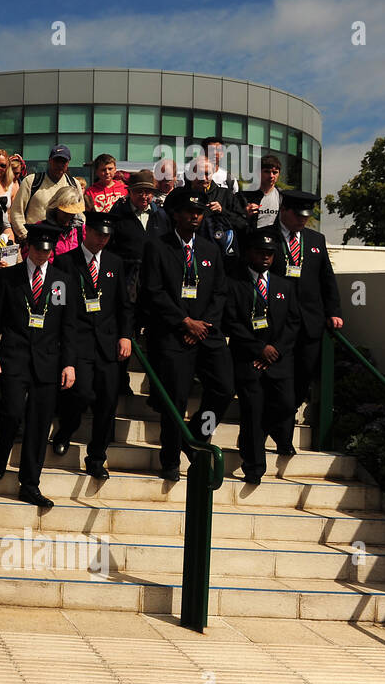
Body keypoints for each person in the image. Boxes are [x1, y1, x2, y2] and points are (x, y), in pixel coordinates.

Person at [139, 191, 234, 481]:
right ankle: (169, 459)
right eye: (190, 211)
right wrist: (184, 322)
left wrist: (202, 324)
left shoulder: (210, 249)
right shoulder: (157, 247)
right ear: (176, 214)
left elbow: (220, 292)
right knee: (175, 399)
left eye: (200, 212)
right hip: (172, 334)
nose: (195, 216)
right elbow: (153, 291)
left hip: (206, 332)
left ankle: (196, 437)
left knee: (223, 389)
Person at [0, 223, 78, 508]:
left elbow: (68, 325)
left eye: (47, 251)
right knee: (13, 412)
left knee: (39, 424)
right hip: (14, 355)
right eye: (38, 250)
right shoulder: (10, 276)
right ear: (29, 249)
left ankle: (30, 484)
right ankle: (3, 448)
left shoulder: (61, 281)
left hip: (48, 360)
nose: (42, 255)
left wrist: (69, 364)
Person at [50, 211, 134, 479]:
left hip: (107, 342)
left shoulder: (114, 262)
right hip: (78, 340)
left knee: (108, 402)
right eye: (99, 234)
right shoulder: (65, 262)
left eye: (107, 236)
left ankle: (97, 457)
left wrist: (126, 335)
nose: (102, 240)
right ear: (87, 232)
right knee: (81, 393)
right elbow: (57, 305)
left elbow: (124, 304)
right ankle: (67, 427)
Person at [270, 189, 343, 454]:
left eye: (306, 215)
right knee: (280, 382)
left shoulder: (316, 240)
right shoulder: (267, 236)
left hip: (310, 324)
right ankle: (282, 437)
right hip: (277, 324)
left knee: (300, 383)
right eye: (298, 215)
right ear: (284, 211)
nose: (303, 220)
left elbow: (327, 280)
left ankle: (282, 428)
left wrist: (334, 311)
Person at [226, 229, 300, 484]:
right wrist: (258, 349)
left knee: (286, 406)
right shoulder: (235, 285)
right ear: (250, 254)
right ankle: (254, 466)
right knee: (253, 413)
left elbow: (293, 323)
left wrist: (274, 350)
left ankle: (252, 440)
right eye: (260, 252)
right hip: (249, 360)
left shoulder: (285, 286)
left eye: (270, 253)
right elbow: (231, 323)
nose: (266, 257)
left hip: (279, 361)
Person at [170, 155, 248, 260]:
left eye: (207, 174)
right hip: (181, 253)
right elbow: (167, 223)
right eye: (199, 174)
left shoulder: (226, 195)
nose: (203, 178)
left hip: (219, 257)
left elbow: (242, 225)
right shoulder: (178, 195)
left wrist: (222, 211)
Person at [108, 169, 170, 292]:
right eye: (139, 192)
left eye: (148, 192)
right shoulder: (117, 215)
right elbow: (110, 249)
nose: (144, 196)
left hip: (156, 280)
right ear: (130, 192)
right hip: (127, 279)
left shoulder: (162, 216)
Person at [9, 145, 82, 242]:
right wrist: (26, 236)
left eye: (63, 161)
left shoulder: (74, 184)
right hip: (35, 242)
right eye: (56, 160)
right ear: (50, 161)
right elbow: (17, 212)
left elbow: (80, 215)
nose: (59, 165)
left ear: (68, 163)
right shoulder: (32, 181)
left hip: (64, 243)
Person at [241, 154, 283, 230]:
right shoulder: (243, 197)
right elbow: (234, 222)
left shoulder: (283, 197)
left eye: (275, 172)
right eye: (267, 172)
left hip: (275, 239)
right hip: (252, 239)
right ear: (258, 173)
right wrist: (244, 214)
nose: (271, 176)